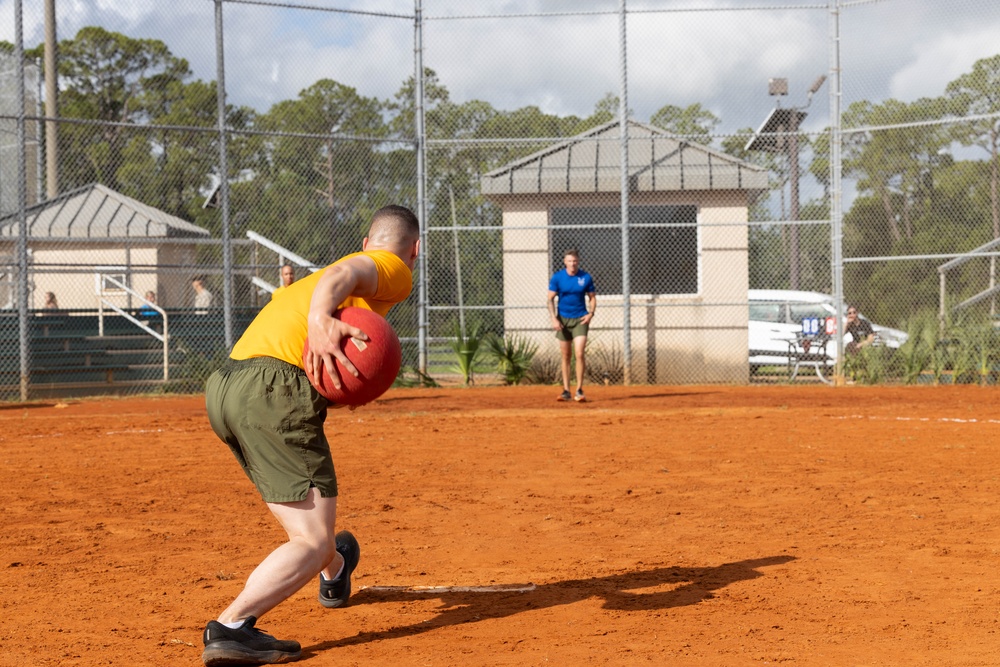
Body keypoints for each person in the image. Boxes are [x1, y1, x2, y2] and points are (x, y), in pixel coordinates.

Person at [200, 205, 420, 666]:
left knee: (314, 534)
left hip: (227, 386)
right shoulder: (392, 269)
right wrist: (321, 318)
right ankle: (232, 626)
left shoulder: (314, 284)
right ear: (413, 250)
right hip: (271, 391)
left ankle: (336, 569)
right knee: (311, 541)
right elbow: (346, 271)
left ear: (365, 238)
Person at [547, 248, 596, 402]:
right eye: (569, 261)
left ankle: (579, 390)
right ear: (565, 262)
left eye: (574, 261)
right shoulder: (558, 278)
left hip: (580, 319)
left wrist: (590, 313)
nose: (572, 264)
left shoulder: (585, 277)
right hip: (563, 319)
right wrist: (554, 319)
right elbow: (549, 299)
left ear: (578, 262)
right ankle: (566, 390)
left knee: (579, 353)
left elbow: (592, 298)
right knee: (566, 356)